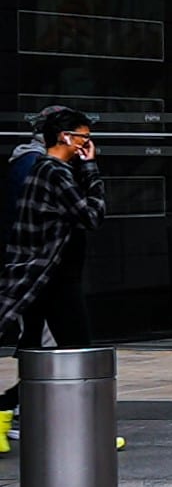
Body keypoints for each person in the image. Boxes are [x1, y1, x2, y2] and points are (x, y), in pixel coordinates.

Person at [0, 108, 105, 446]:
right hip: (53, 279)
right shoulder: (54, 171)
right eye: (84, 137)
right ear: (65, 137)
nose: (88, 144)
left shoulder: (43, 169)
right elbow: (92, 215)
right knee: (78, 353)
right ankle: (88, 434)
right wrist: (91, 169)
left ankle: (9, 414)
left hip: (43, 278)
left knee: (45, 352)